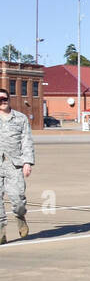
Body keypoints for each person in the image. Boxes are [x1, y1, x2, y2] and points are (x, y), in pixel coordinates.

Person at [0, 88, 34, 245]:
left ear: (9, 99)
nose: (3, 101)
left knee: (18, 199)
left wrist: (27, 162)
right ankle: (1, 232)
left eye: (4, 98)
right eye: (0, 99)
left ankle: (20, 217)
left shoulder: (20, 118)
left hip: (14, 164)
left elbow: (27, 141)